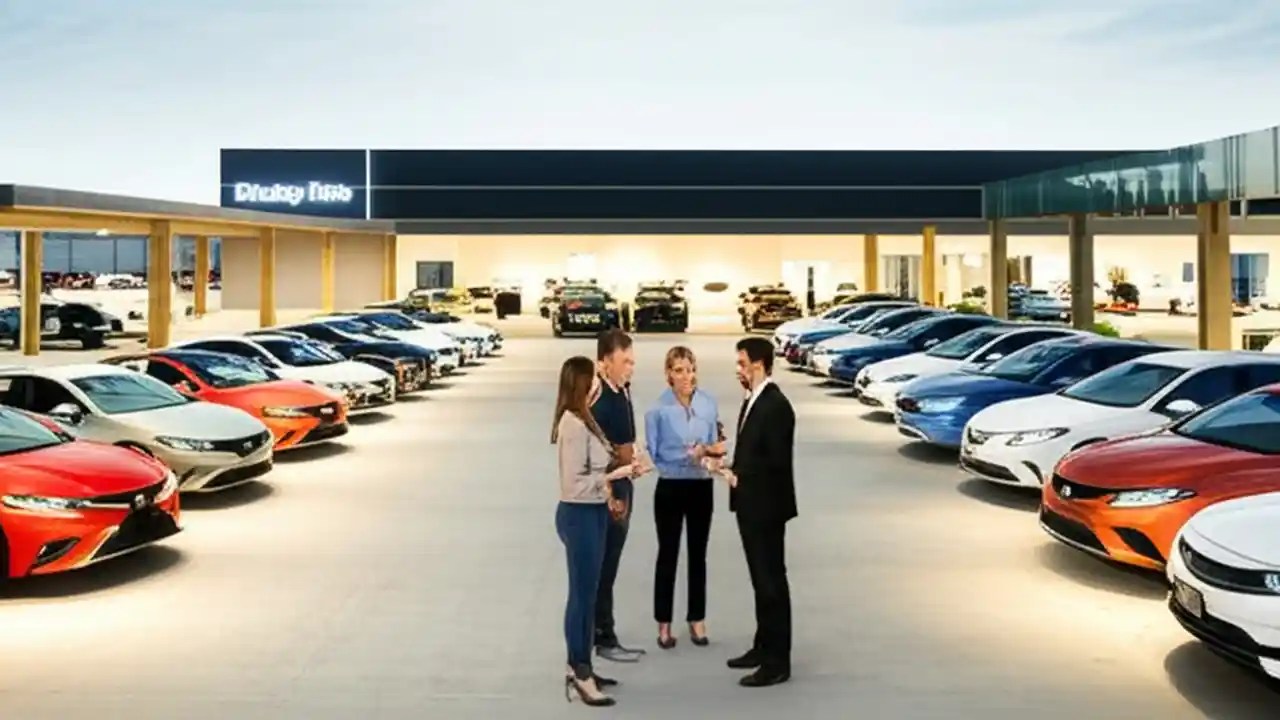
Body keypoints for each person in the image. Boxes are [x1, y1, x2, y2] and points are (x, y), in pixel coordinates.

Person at [553, 356, 640, 707]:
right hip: (579, 515)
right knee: (581, 596)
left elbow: (598, 467)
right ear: (580, 383)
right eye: (592, 380)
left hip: (594, 513)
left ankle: (585, 663)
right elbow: (573, 483)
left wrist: (620, 476)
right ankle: (579, 670)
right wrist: (615, 477)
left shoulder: (586, 420)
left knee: (590, 594)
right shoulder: (573, 425)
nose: (597, 385)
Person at [715, 336, 797, 688]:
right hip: (751, 505)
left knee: (771, 583)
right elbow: (756, 452)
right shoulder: (754, 400)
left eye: (742, 363)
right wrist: (729, 464)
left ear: (759, 364)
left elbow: (776, 463)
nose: (738, 369)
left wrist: (739, 476)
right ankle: (762, 646)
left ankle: (777, 661)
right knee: (759, 582)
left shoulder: (776, 406)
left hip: (765, 508)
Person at [644, 346, 723, 649]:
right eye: (679, 370)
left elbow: (716, 443)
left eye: (690, 369)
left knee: (697, 554)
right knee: (668, 554)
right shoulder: (657, 411)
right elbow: (654, 452)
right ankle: (664, 624)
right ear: (668, 374)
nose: (686, 376)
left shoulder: (708, 404)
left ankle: (697, 618)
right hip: (671, 487)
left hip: (701, 485)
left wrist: (709, 455)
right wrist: (684, 457)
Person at [590, 328, 648, 662]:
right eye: (624, 362)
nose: (630, 368)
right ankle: (603, 635)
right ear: (604, 363)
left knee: (610, 564)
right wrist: (632, 463)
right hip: (612, 492)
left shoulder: (621, 392)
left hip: (623, 483)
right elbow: (610, 452)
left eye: (632, 362)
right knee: (604, 565)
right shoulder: (602, 401)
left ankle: (605, 631)